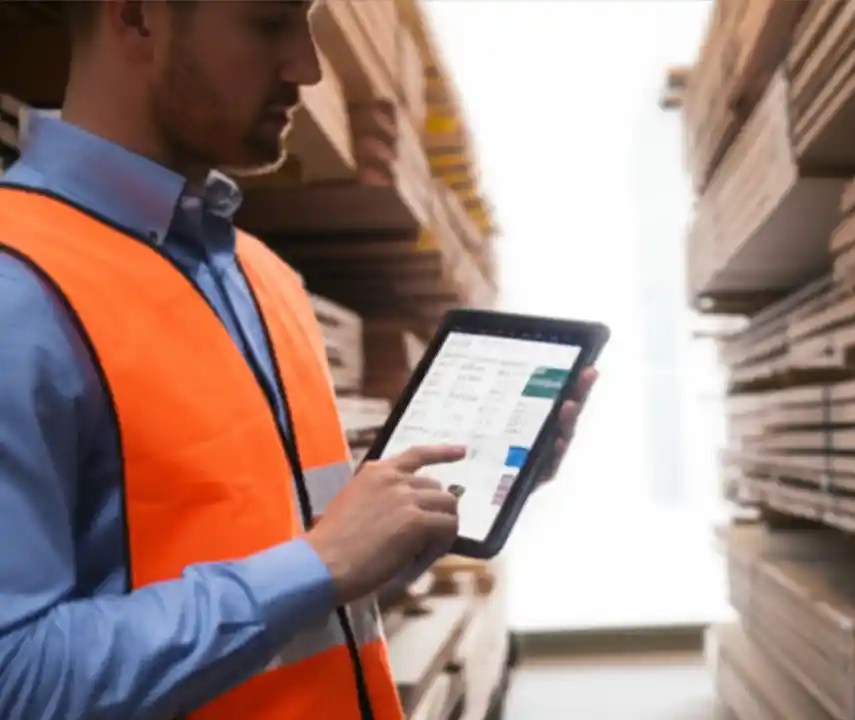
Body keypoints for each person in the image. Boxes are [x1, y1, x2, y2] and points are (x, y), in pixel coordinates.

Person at [0, 1, 597, 718]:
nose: (309, 67)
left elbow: (309, 599)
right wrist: (320, 564)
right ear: (137, 18)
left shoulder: (263, 279)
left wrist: (409, 527)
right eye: (271, 21)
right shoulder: (18, 290)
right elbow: (17, 678)